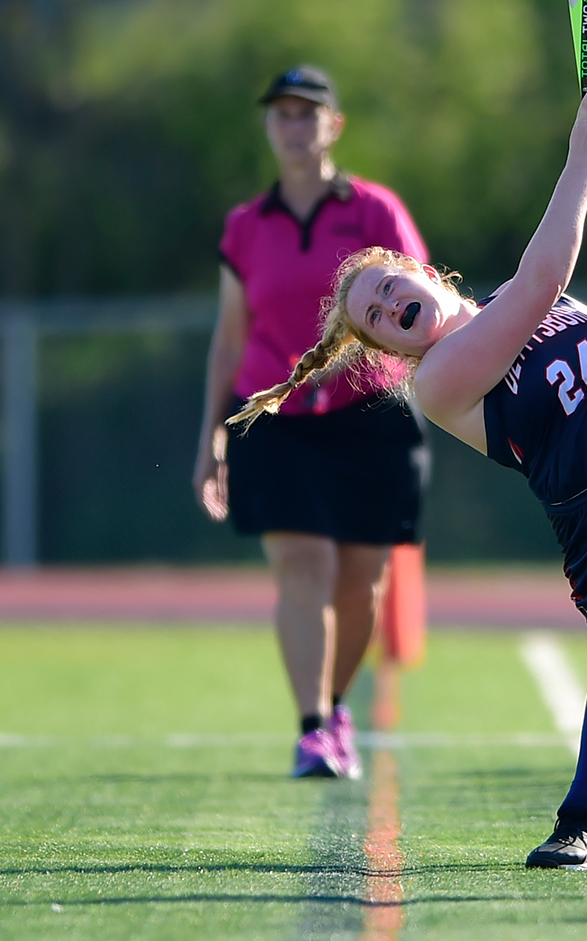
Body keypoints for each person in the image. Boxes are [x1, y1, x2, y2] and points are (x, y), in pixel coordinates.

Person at [230, 86, 587, 869]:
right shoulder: (441, 379)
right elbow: (543, 278)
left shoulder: (521, 297)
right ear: (389, 349)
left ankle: (584, 822)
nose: (389, 306)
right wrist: (580, 161)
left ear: (421, 272)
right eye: (375, 316)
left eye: (388, 287)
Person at [192, 65, 432, 781]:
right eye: (282, 114)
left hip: (368, 414)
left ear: (334, 125)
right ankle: (311, 729)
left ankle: (332, 708)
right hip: (277, 418)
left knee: (361, 588)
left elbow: (420, 310)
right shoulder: (246, 226)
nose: (294, 126)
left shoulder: (376, 211)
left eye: (307, 113)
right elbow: (230, 338)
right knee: (305, 566)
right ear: (268, 126)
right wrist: (209, 436)